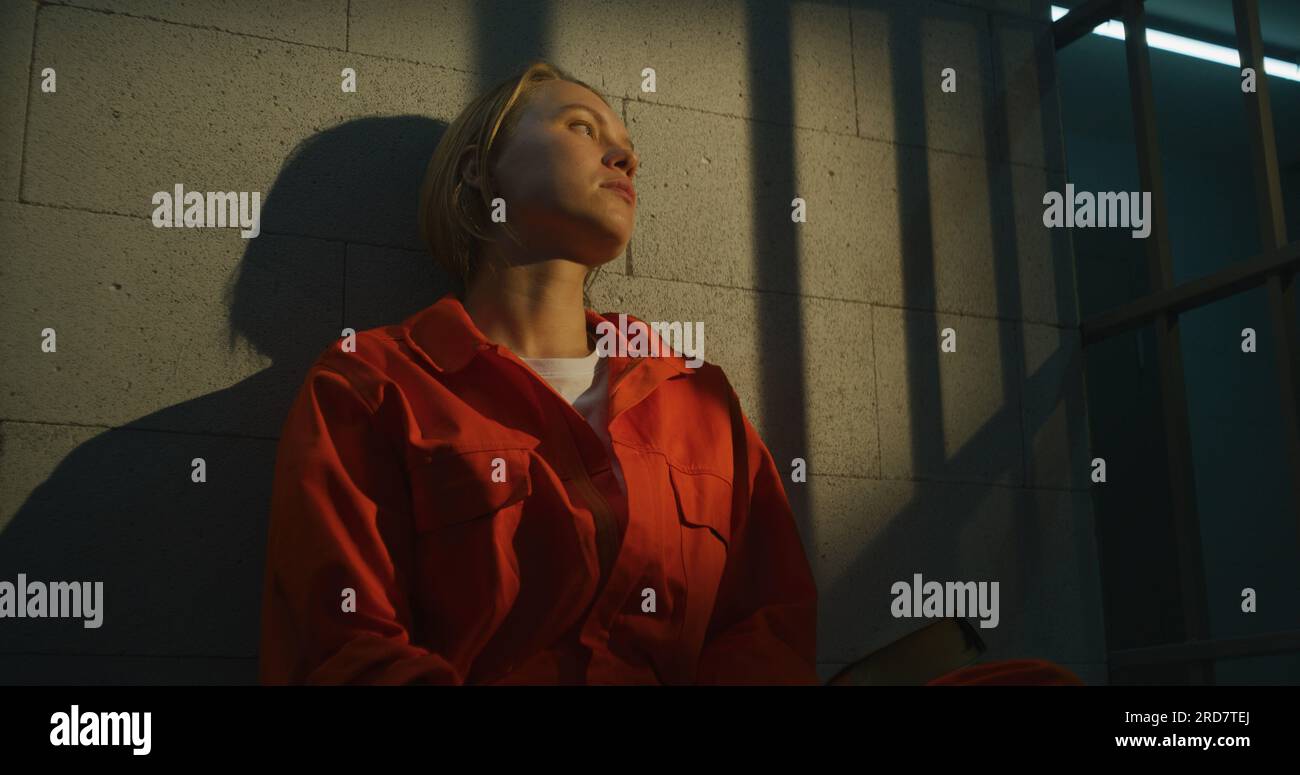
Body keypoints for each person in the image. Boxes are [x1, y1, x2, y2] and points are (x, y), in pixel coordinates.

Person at [257, 61, 820, 685]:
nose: (624, 160)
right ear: (479, 170)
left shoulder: (697, 397)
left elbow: (771, 624)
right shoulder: (372, 385)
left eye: (629, 151)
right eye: (581, 127)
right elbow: (341, 647)